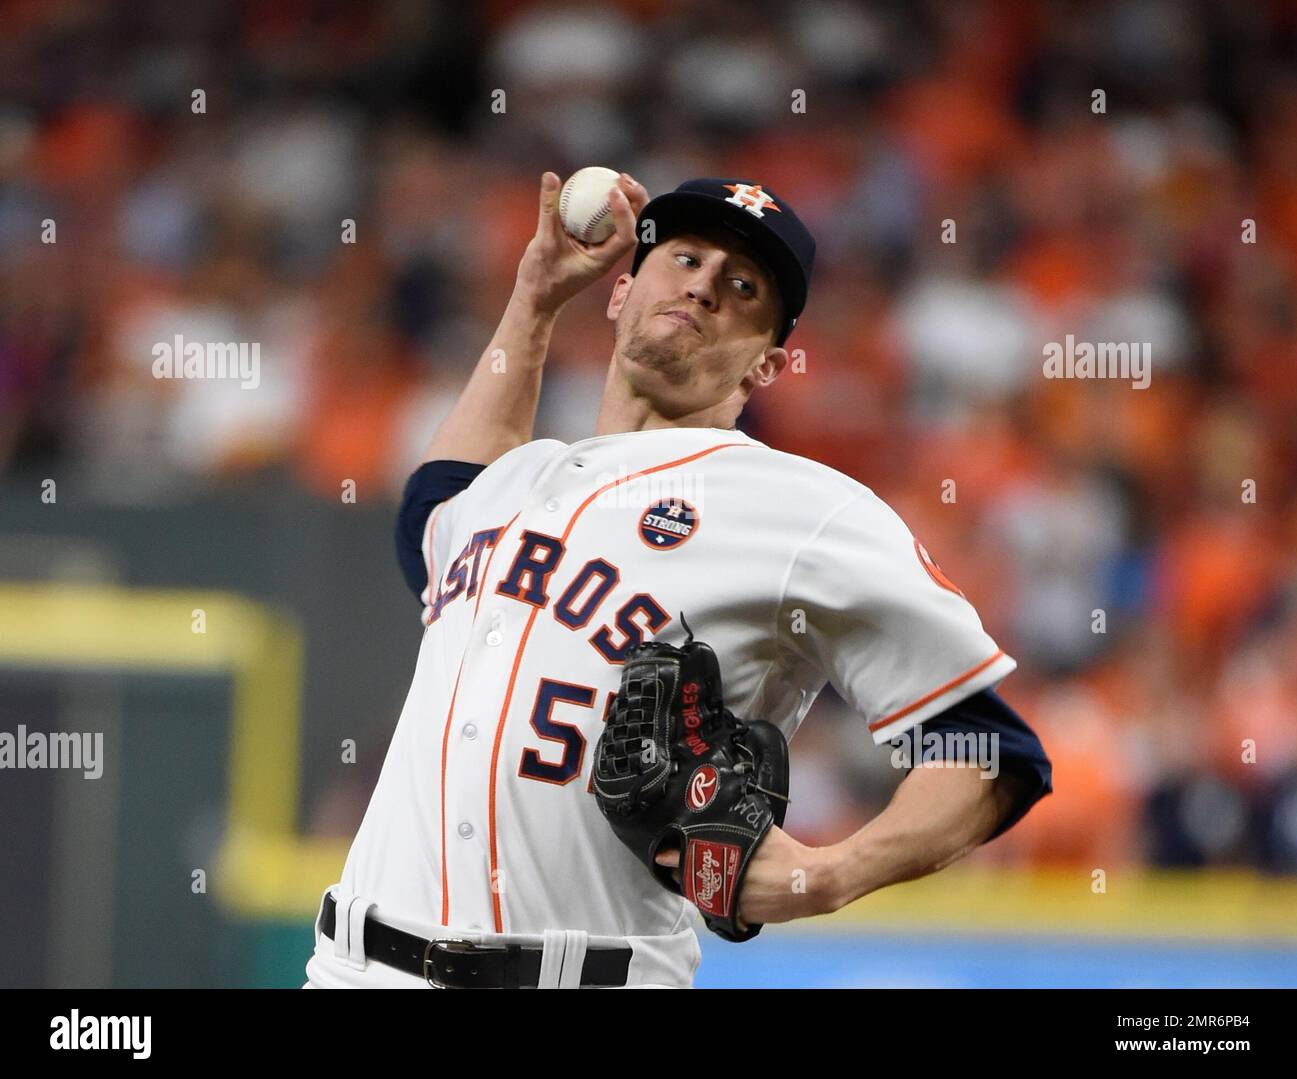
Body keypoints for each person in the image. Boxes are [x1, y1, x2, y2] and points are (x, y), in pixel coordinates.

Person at [303, 172, 1052, 989]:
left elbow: (990, 748)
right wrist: (534, 299)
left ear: (766, 364)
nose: (702, 284)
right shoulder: (515, 481)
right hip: (356, 967)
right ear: (620, 291)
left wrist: (833, 873)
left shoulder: (806, 511)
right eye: (685, 257)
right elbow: (432, 513)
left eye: (741, 286)